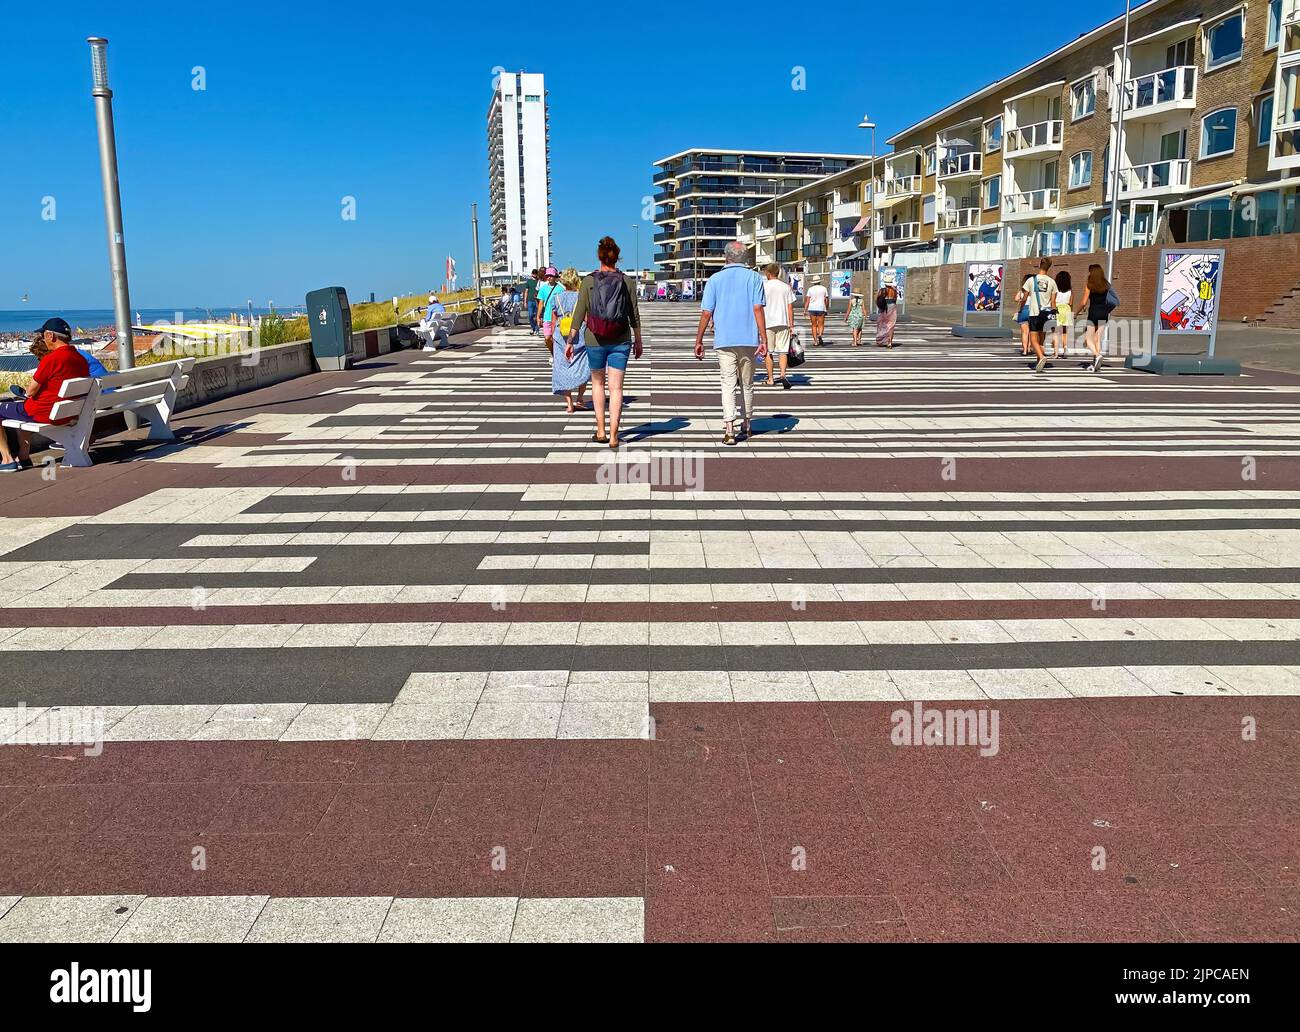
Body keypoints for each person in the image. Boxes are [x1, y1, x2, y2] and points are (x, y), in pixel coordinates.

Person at [566, 237, 642, 448]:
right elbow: (634, 314)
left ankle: (600, 430)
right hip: (621, 339)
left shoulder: (589, 281)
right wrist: (639, 340)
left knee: (598, 384)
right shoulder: (627, 281)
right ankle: (614, 436)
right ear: (617, 257)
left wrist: (570, 341)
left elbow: (578, 314)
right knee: (616, 388)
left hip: (594, 339)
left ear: (599, 257)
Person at [694, 241, 767, 446]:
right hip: (749, 339)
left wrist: (699, 340)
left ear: (726, 257)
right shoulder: (754, 278)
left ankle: (729, 429)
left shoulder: (715, 280)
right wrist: (763, 338)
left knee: (727, 384)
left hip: (724, 339)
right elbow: (757, 309)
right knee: (747, 383)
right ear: (745, 258)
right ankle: (747, 423)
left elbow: (706, 312)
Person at [0, 317, 91, 473]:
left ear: (51, 336)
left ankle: (7, 460)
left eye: (43, 336)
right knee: (22, 409)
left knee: (10, 408)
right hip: (70, 413)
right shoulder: (80, 359)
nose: (42, 339)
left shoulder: (52, 359)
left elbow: (30, 391)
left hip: (44, 413)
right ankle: (23, 456)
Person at [548, 267, 591, 414]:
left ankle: (569, 404)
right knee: (583, 367)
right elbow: (586, 318)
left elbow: (553, 322)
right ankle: (580, 398)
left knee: (562, 368)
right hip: (580, 335)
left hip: (561, 336)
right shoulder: (581, 297)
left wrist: (553, 338)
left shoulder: (557, 298)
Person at [1014, 257, 1056, 372]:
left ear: (1039, 265)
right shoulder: (1052, 282)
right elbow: (1053, 302)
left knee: (1033, 340)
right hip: (1046, 313)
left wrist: (1021, 307)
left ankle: (1042, 357)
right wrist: (1054, 315)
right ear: (1049, 267)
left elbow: (1025, 296)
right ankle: (1039, 361)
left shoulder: (1031, 280)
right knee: (1041, 339)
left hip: (1034, 313)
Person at [761, 264, 795, 388]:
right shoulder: (786, 287)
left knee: (768, 352)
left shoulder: (763, 287)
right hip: (783, 322)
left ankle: (770, 378)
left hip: (767, 323)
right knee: (783, 351)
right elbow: (790, 307)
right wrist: (791, 325)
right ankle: (782, 374)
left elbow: (758, 306)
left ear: (768, 273)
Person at [1073, 263, 1110, 372]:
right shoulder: (1106, 284)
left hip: (1094, 313)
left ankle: (1097, 355)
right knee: (1097, 339)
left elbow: (1084, 302)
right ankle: (1095, 364)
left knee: (1088, 339)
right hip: (1104, 313)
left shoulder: (1090, 285)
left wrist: (1076, 312)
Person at [537, 267, 565, 354]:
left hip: (557, 318)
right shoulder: (543, 289)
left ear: (555, 277)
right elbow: (541, 303)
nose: (549, 278)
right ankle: (553, 353)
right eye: (547, 276)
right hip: (547, 317)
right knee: (547, 338)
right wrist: (538, 316)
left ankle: (557, 355)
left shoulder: (560, 289)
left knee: (556, 338)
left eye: (551, 276)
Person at [1053, 270, 1073, 360]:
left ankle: (1056, 352)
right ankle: (1065, 348)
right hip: (1067, 309)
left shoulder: (1055, 289)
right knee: (1065, 331)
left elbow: (1052, 300)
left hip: (1058, 309)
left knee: (1056, 332)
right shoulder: (1070, 290)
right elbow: (1071, 302)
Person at [804, 275, 829, 346]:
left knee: (814, 325)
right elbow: (826, 299)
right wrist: (826, 308)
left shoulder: (810, 289)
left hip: (812, 308)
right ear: (819, 281)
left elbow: (807, 301)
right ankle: (820, 335)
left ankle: (815, 341)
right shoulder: (824, 289)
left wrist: (805, 310)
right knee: (821, 324)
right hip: (821, 307)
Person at [874, 281, 899, 349]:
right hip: (892, 308)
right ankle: (889, 342)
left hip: (883, 308)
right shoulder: (894, 290)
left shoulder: (882, 290)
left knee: (881, 324)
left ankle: (881, 341)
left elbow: (877, 299)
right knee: (891, 325)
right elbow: (895, 300)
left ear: (885, 283)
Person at [524, 269, 540, 335]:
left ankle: (536, 328)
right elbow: (526, 291)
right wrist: (525, 301)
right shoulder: (529, 281)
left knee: (537, 315)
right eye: (533, 273)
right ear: (532, 274)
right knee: (530, 315)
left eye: (536, 273)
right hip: (530, 300)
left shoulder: (539, 281)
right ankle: (533, 327)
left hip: (537, 300)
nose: (534, 274)